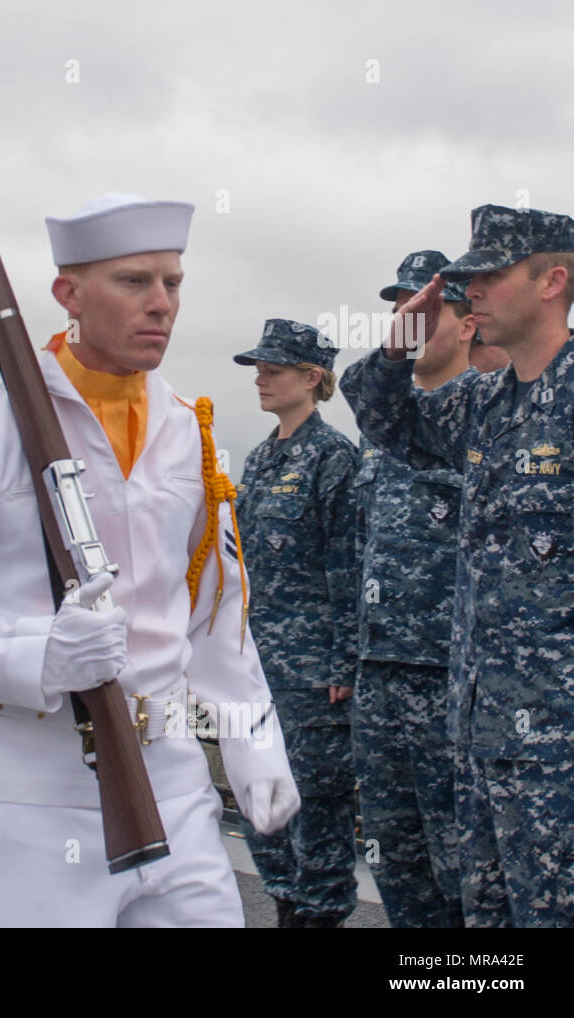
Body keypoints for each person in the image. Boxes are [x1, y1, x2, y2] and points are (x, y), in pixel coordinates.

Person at [0, 194, 299, 927]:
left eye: (173, 283)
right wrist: (38, 653)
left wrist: (251, 736)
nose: (161, 303)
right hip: (33, 791)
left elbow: (214, 614)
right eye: (134, 282)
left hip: (172, 779)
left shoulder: (187, 435)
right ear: (68, 295)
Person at [341, 204, 574, 927]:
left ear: (552, 282)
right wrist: (397, 345)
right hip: (478, 735)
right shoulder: (482, 404)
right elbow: (383, 420)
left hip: (558, 751)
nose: (470, 290)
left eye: (489, 276)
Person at [351, 252, 476, 928]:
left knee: (462, 864)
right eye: (403, 310)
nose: (413, 322)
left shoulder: (484, 419)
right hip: (381, 675)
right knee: (394, 857)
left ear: (467, 323)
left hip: (449, 678)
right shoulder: (382, 437)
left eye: (429, 311)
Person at [233, 319, 359, 928]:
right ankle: (285, 901)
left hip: (313, 675)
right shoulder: (259, 459)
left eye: (273, 369)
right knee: (262, 798)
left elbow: (350, 563)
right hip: (257, 666)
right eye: (258, 368)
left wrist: (344, 662)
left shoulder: (334, 459)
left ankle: (320, 911)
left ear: (312, 379)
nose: (260, 378)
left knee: (318, 805)